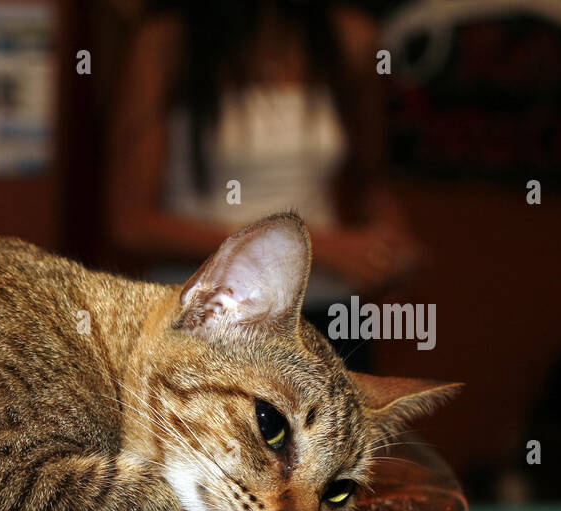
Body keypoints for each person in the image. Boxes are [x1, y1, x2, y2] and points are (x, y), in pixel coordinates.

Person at [105, 0, 423, 367]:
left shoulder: (351, 38)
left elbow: (372, 182)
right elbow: (131, 225)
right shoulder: (164, 43)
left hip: (321, 316)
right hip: (208, 321)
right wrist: (321, 248)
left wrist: (391, 249)